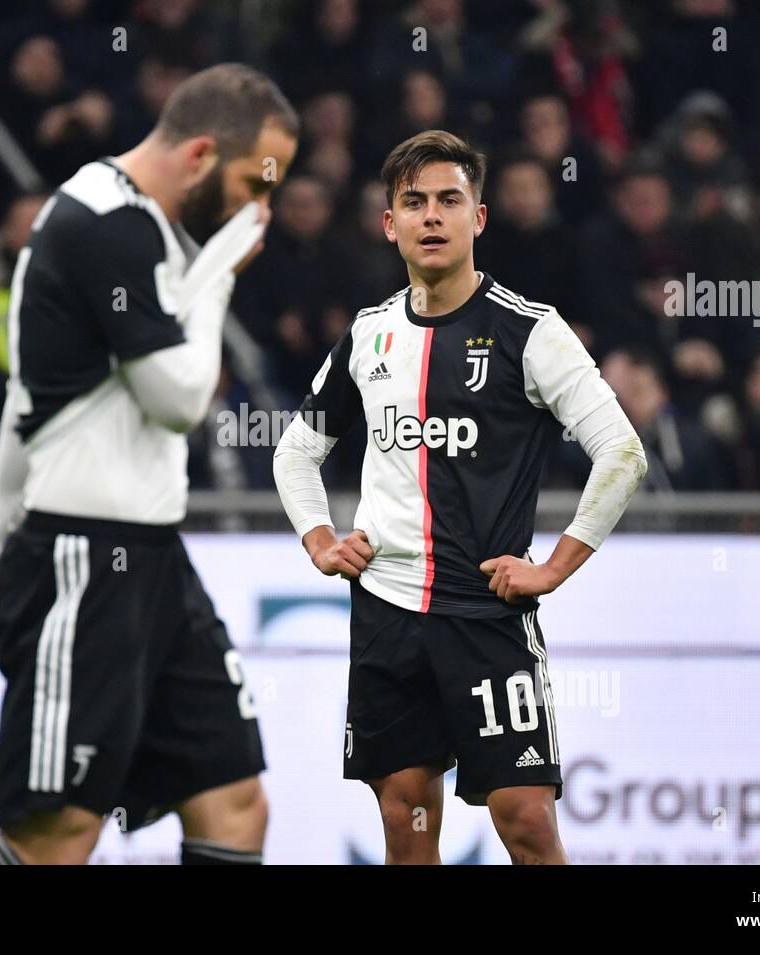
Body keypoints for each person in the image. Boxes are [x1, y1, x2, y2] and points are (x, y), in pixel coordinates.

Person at [0, 63, 299, 865]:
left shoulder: (150, 228)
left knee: (236, 802)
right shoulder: (104, 222)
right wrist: (220, 279)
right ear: (203, 152)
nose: (260, 209)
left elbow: (22, 402)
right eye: (255, 182)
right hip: (81, 555)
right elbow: (179, 398)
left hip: (153, 555)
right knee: (57, 835)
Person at [272, 131, 646, 864]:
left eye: (450, 200)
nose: (432, 216)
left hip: (485, 615)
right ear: (390, 224)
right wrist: (320, 539)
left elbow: (622, 452)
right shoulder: (368, 335)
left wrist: (553, 567)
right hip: (387, 613)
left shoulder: (530, 330)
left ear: (479, 218)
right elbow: (295, 452)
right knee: (406, 817)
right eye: (414, 202)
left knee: (527, 821)